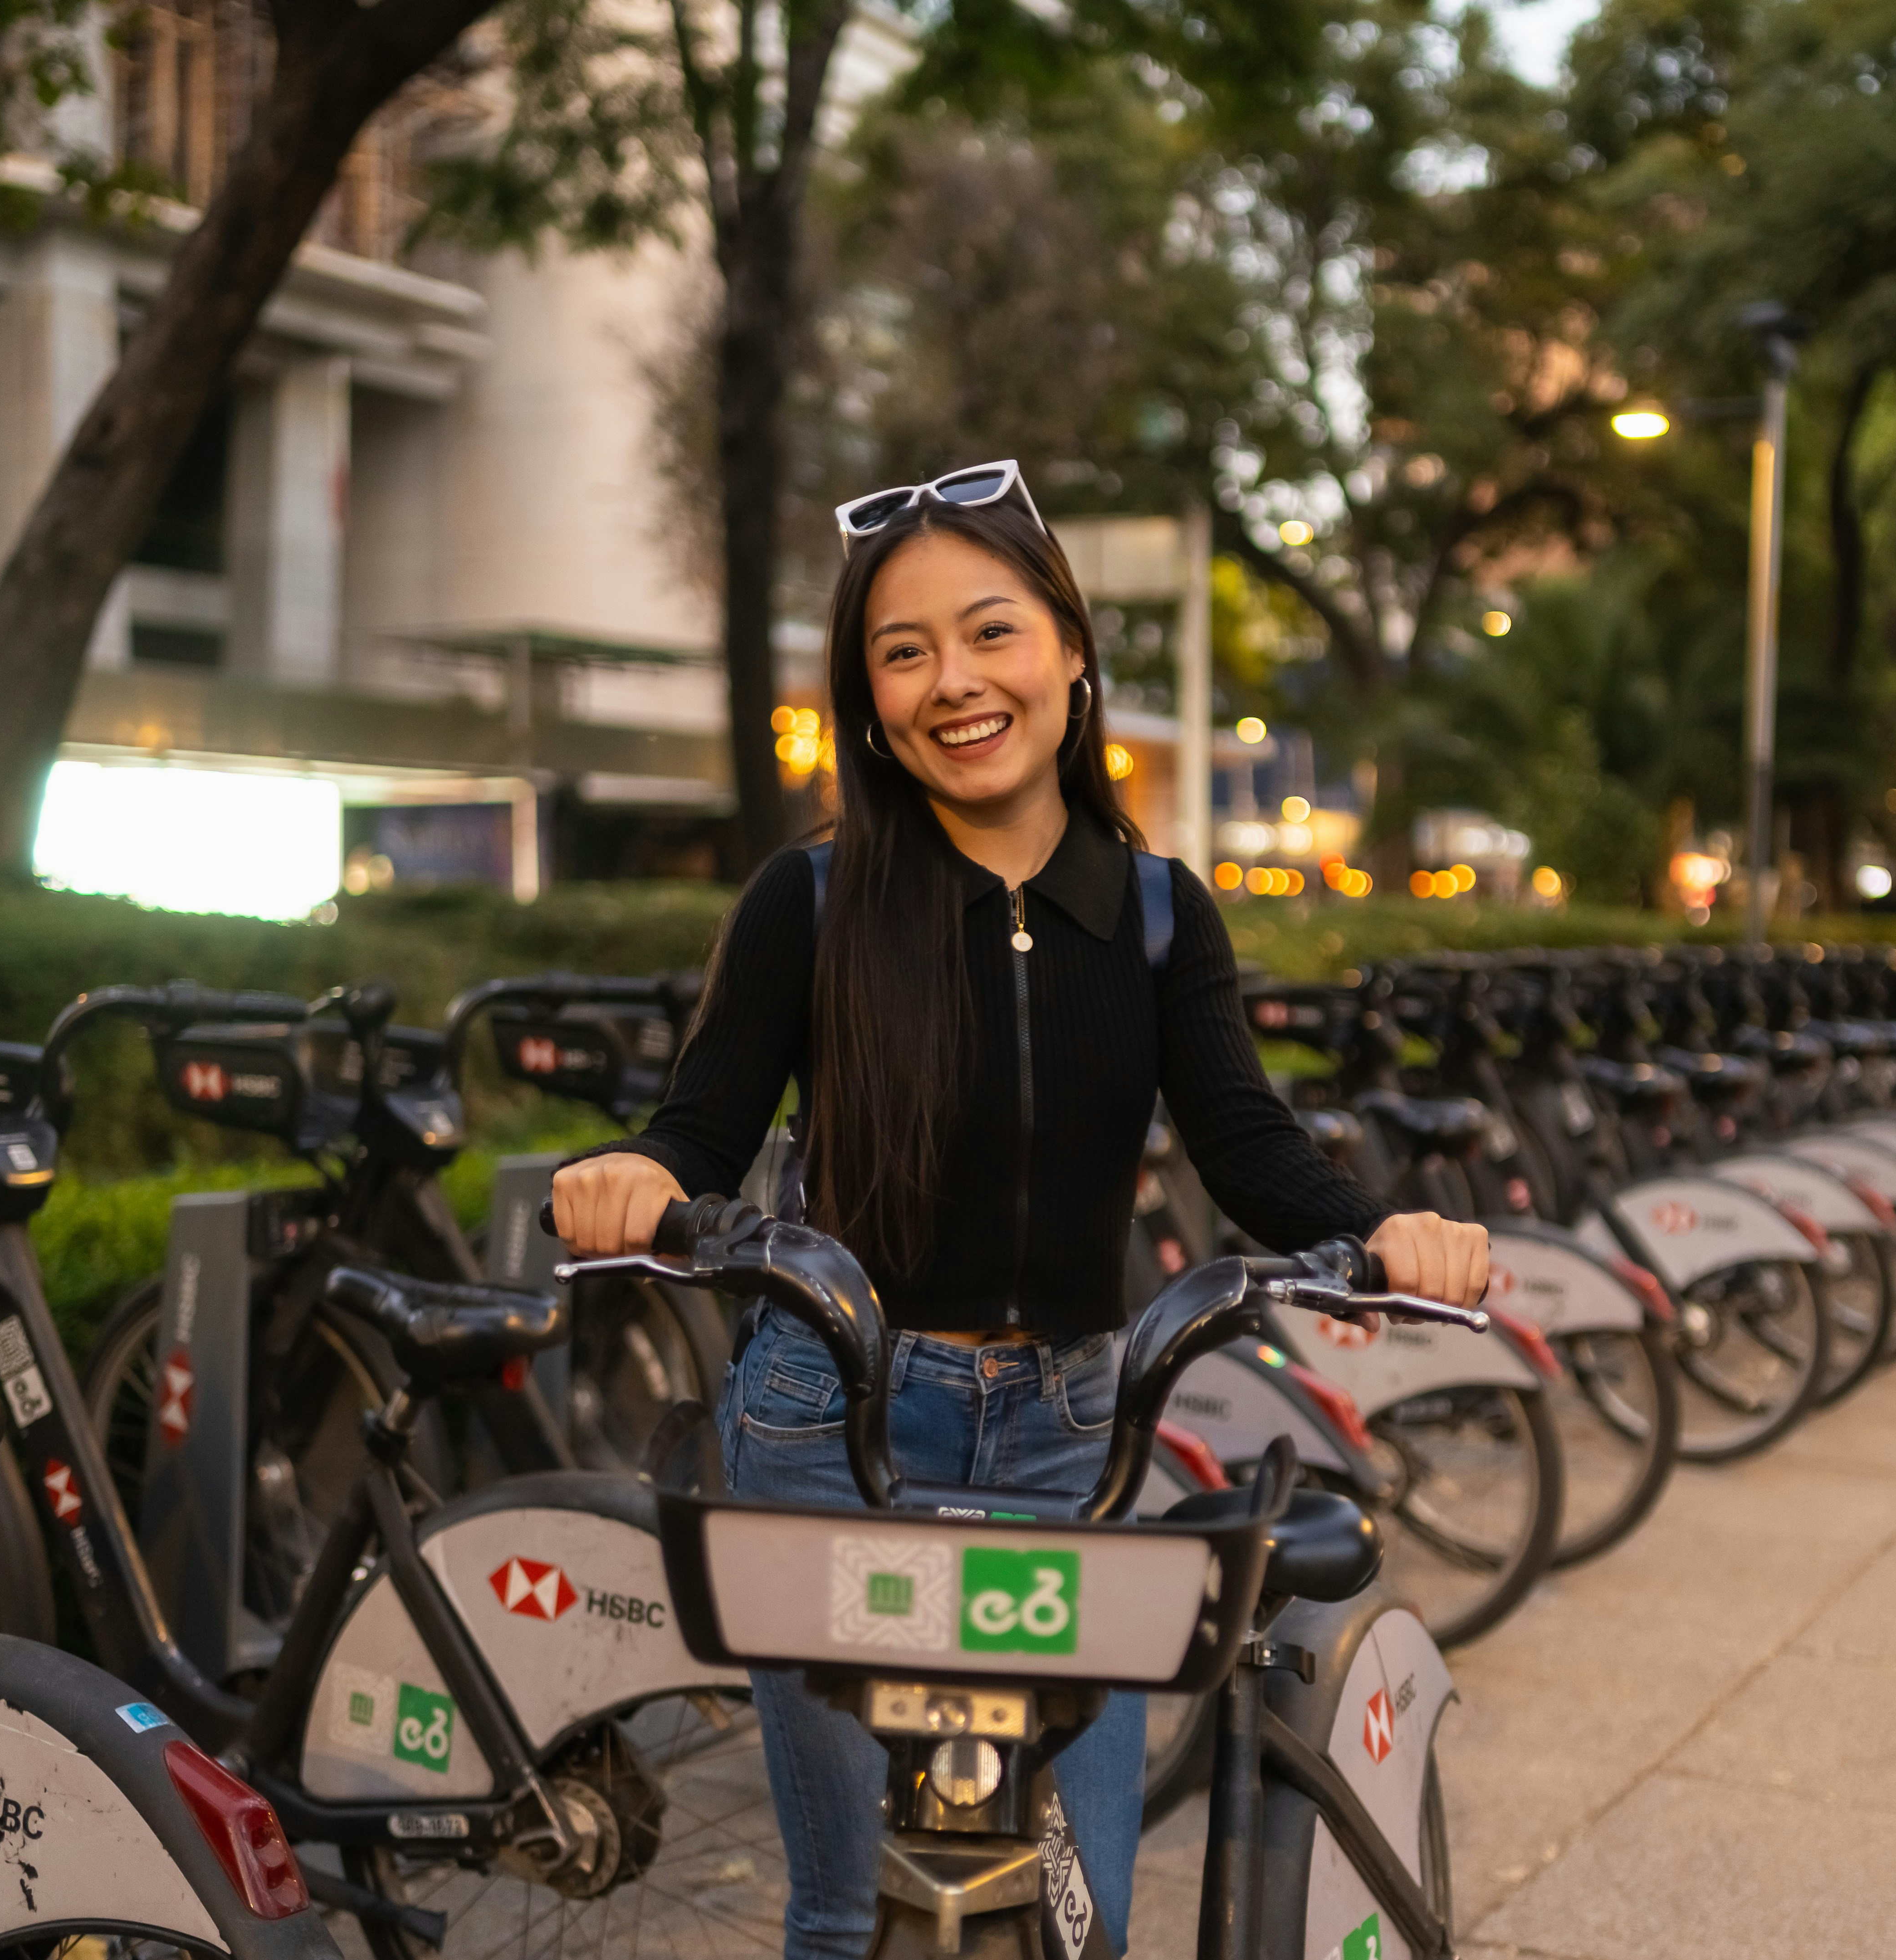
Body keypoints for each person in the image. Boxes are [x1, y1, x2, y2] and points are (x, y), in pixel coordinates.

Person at [549, 462, 1489, 1960]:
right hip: (829, 1424)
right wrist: (639, 1184)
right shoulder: (809, 900)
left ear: (1068, 646)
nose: (953, 682)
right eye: (902, 652)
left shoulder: (1164, 910)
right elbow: (699, 1134)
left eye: (989, 632)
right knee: (854, 1913)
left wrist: (1383, 1233)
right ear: (867, 700)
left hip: (1069, 1436)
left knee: (1079, 1917)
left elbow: (1246, 1145)